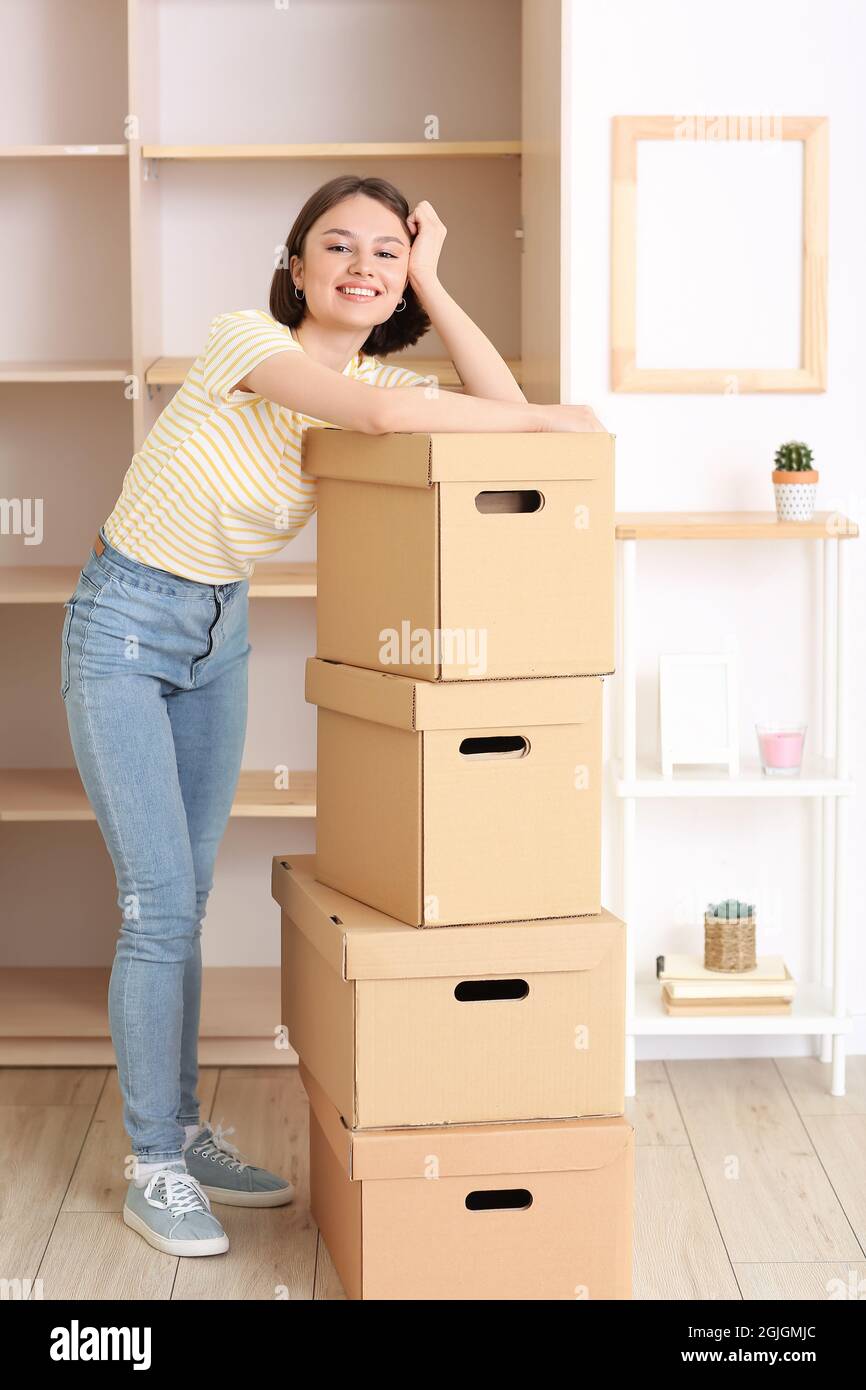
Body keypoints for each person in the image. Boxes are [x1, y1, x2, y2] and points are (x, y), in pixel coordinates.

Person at [60, 173, 598, 1259]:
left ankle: (183, 1130)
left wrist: (439, 281)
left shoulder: (369, 366)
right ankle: (152, 1163)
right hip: (123, 624)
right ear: (296, 263)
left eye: (386, 254)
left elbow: (487, 420)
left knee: (189, 897)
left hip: (217, 632)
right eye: (337, 246)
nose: (362, 267)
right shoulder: (243, 341)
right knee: (157, 905)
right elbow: (390, 415)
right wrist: (553, 411)